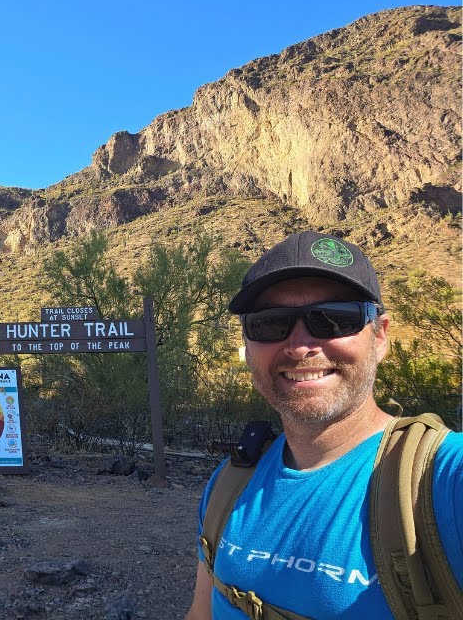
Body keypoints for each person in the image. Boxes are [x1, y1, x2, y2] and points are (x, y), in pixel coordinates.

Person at [185, 231, 463, 619]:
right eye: (270, 323)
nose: (300, 346)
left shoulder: (441, 479)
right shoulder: (229, 483)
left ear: (380, 337)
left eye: (335, 319)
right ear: (248, 348)